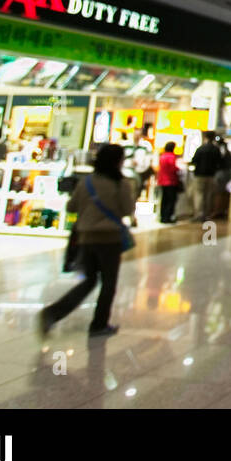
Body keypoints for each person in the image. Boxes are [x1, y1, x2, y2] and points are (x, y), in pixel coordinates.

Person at [39, 144, 135, 337]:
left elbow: (71, 207)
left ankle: (53, 313)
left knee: (88, 281)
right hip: (109, 239)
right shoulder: (120, 184)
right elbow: (127, 209)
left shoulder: (87, 182)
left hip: (85, 238)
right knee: (108, 283)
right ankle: (99, 324)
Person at [189, 132, 222, 223]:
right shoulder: (216, 149)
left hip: (199, 174)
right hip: (211, 174)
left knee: (199, 194)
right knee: (208, 195)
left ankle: (199, 214)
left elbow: (194, 160)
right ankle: (206, 214)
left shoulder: (201, 148)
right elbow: (219, 161)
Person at [157, 141, 181, 224]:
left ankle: (162, 216)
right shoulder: (171, 156)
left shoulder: (162, 156)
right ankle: (167, 217)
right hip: (170, 180)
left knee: (164, 199)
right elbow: (173, 168)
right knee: (171, 200)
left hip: (162, 180)